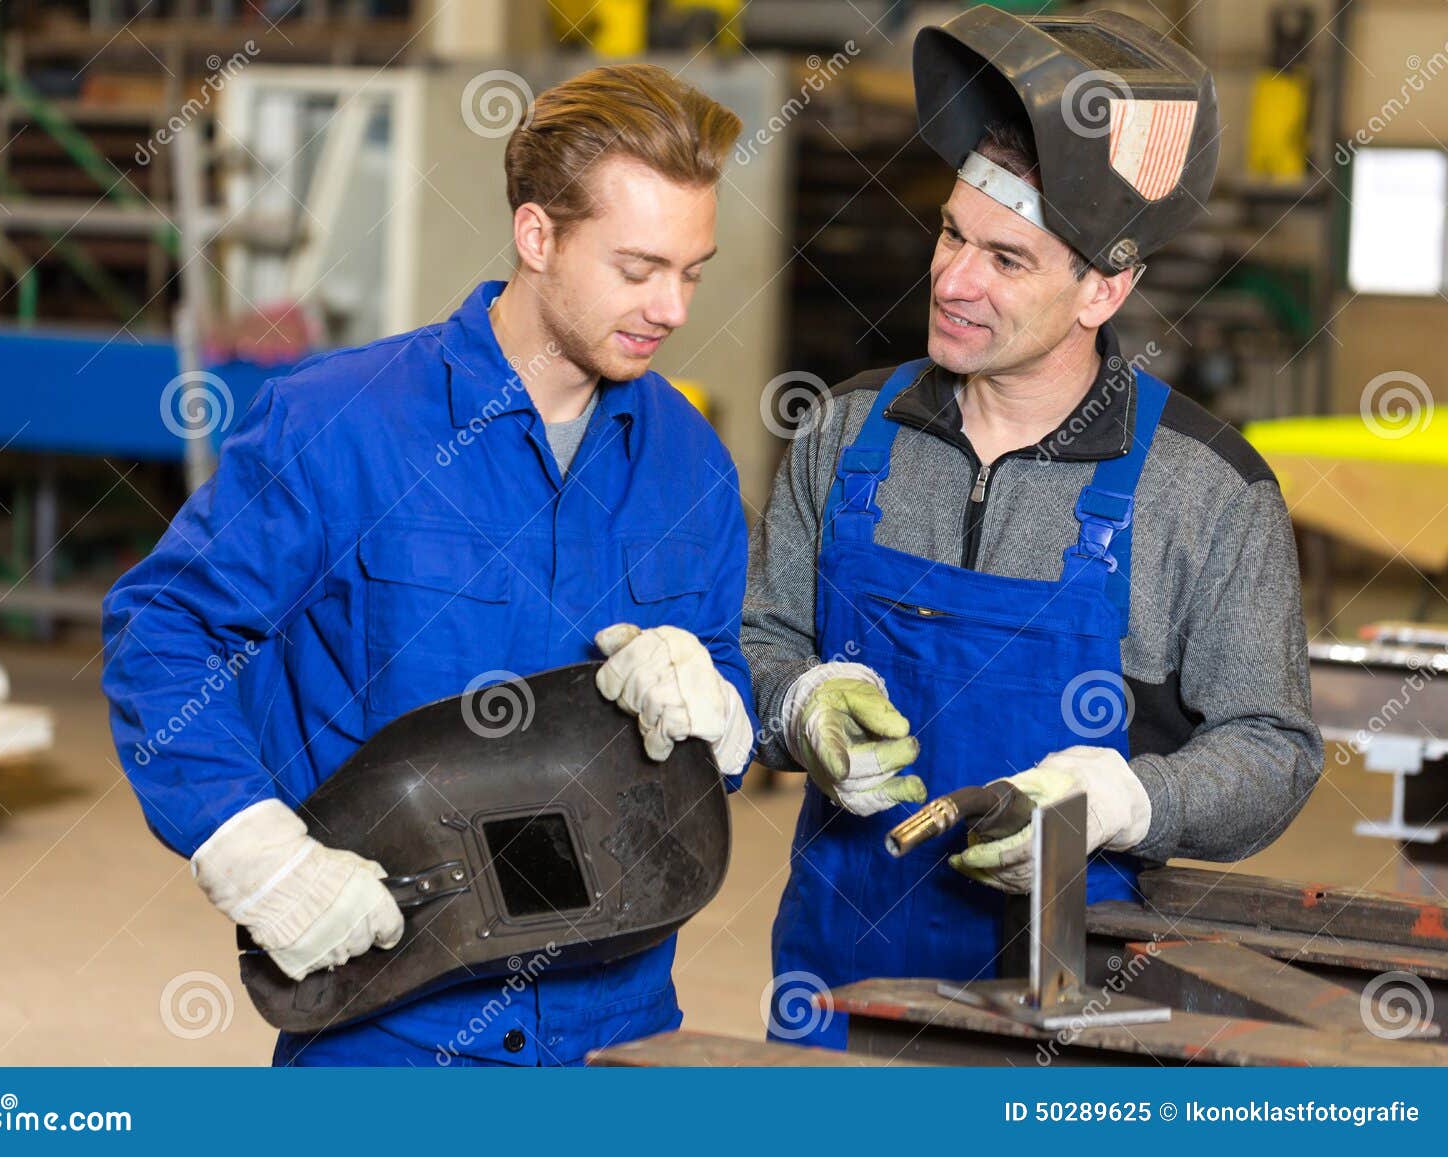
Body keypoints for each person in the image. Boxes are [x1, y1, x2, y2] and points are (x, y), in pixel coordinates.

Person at [102, 63, 756, 1066]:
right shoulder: (342, 423)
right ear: (537, 236)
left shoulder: (688, 461)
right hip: (391, 1023)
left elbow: (719, 666)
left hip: (617, 1027)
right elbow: (164, 631)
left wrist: (720, 710)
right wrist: (248, 844)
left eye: (692, 272)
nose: (670, 307)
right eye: (637, 269)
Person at [742, 6, 1321, 1047]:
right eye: (952, 234)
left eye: (1006, 259)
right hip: (834, 997)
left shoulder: (1207, 492)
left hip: (1068, 1019)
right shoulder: (842, 433)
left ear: (1104, 287)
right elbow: (757, 639)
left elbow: (1272, 750)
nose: (953, 280)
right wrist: (795, 702)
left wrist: (1130, 799)